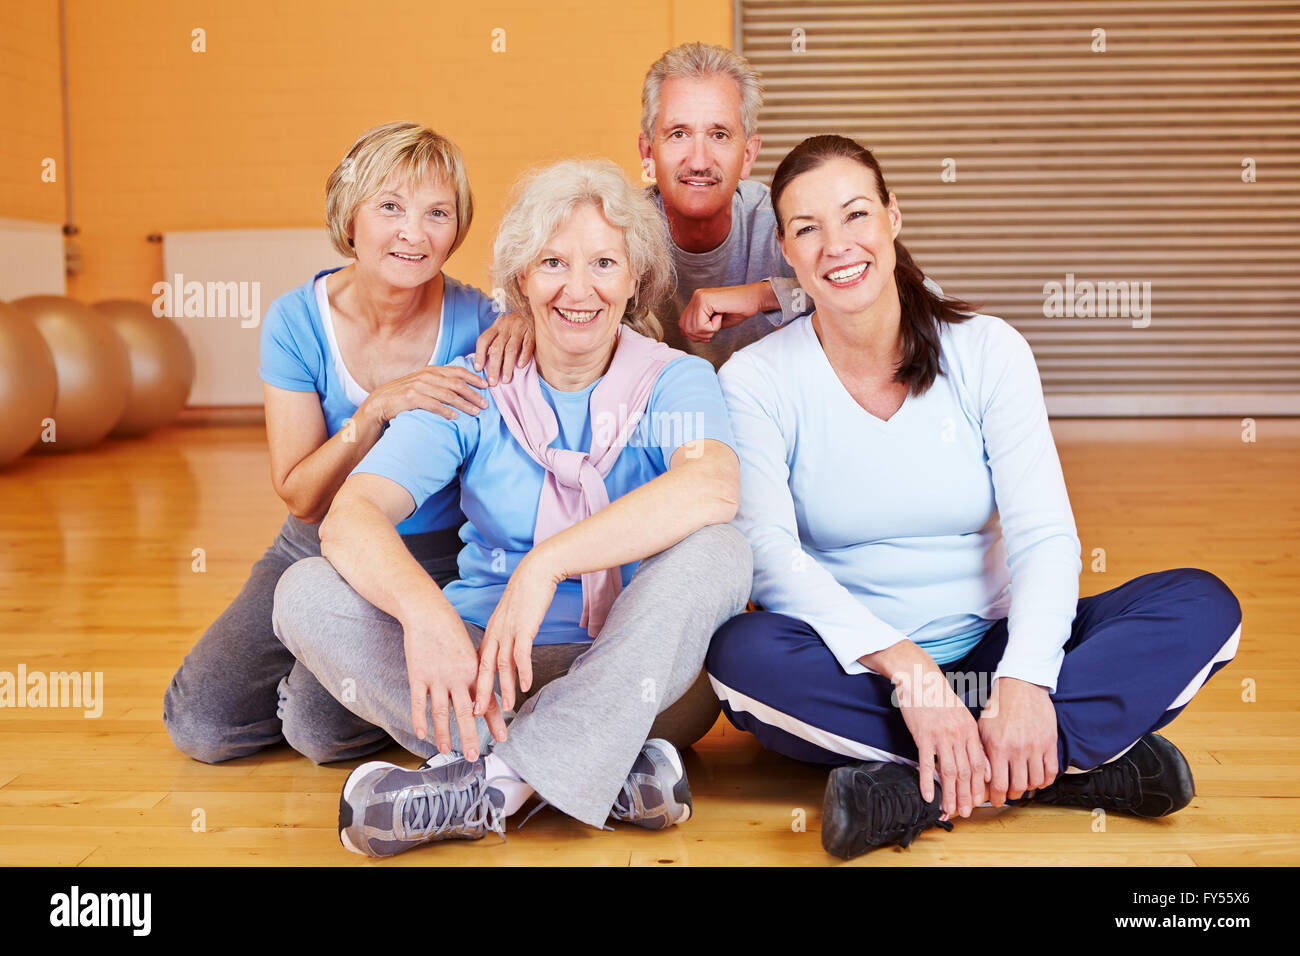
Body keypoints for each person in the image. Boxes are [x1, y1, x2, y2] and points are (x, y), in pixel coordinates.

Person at [707, 134, 1243, 859]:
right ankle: (1059, 769)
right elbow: (768, 555)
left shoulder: (987, 349)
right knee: (740, 656)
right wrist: (912, 674)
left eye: (856, 215)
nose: (838, 245)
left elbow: (1044, 534)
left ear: (894, 218)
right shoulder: (755, 379)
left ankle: (915, 787)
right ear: (788, 253)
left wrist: (1023, 677)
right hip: (862, 666)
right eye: (809, 229)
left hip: (995, 641)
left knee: (1202, 606)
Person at [271, 158, 751, 857]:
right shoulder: (477, 386)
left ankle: (489, 781)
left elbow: (713, 487)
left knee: (722, 552)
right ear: (521, 281)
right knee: (304, 591)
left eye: (604, 263)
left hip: (637, 676)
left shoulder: (676, 380)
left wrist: (546, 566)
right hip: (477, 676)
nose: (578, 288)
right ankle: (600, 770)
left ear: (635, 279)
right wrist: (425, 613)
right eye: (552, 262)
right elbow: (350, 514)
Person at [163, 121, 532, 765]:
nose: (414, 233)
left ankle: (319, 690)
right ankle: (313, 669)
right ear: (349, 214)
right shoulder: (295, 320)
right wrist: (375, 412)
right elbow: (303, 497)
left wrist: (528, 317)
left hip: (437, 557)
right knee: (204, 727)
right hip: (314, 546)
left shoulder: (482, 323)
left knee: (320, 729)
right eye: (390, 206)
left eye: (437, 213)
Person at [638, 42, 810, 367]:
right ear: (648, 155)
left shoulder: (785, 224)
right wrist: (523, 322)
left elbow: (902, 289)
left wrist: (762, 295)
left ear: (748, 156)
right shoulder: (618, 232)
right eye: (678, 134)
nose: (700, 162)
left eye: (719, 135)